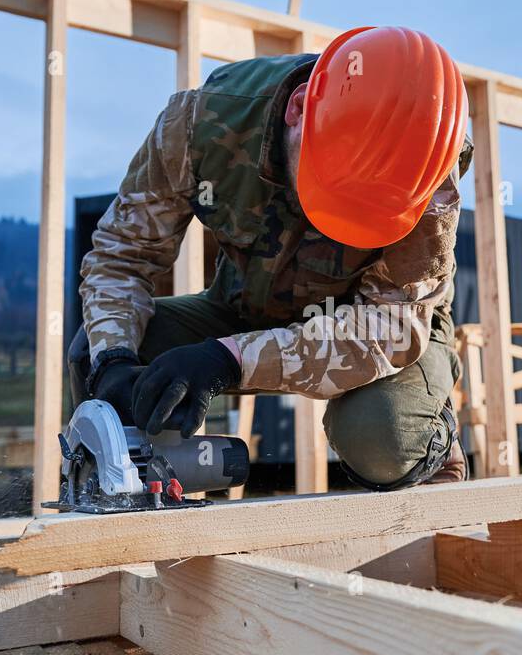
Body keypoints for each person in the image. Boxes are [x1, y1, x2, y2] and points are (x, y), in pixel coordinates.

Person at [68, 26, 473, 490]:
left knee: (384, 439)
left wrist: (230, 359)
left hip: (376, 330)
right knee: (96, 353)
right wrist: (116, 362)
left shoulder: (429, 174)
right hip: (241, 311)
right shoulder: (199, 123)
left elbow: (391, 327)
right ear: (299, 108)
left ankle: (430, 441)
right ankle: (134, 489)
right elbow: (122, 258)